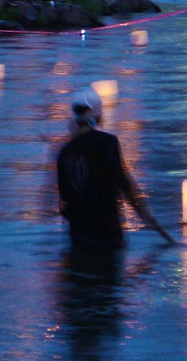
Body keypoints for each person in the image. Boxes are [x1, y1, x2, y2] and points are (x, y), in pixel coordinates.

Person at [56, 88, 172, 249]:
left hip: (77, 237)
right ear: (99, 116)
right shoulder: (107, 142)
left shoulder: (64, 152)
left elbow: (64, 199)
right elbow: (124, 183)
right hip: (107, 235)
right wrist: (145, 213)